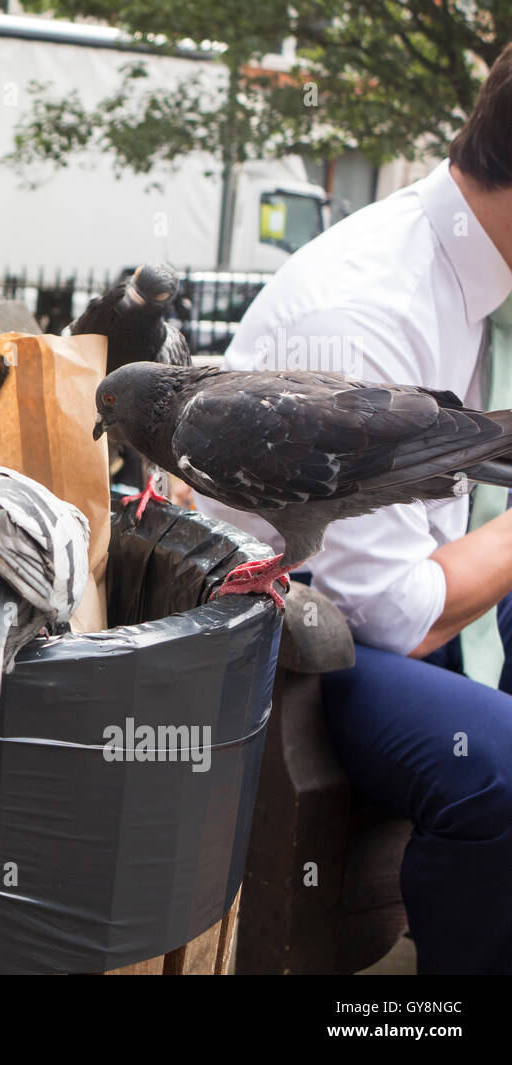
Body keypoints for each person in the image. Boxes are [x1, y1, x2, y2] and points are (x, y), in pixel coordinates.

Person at [196, 44, 512, 974]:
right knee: (501, 774)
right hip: (301, 645)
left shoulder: (463, 268)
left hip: (372, 603)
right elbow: (394, 612)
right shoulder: (368, 308)